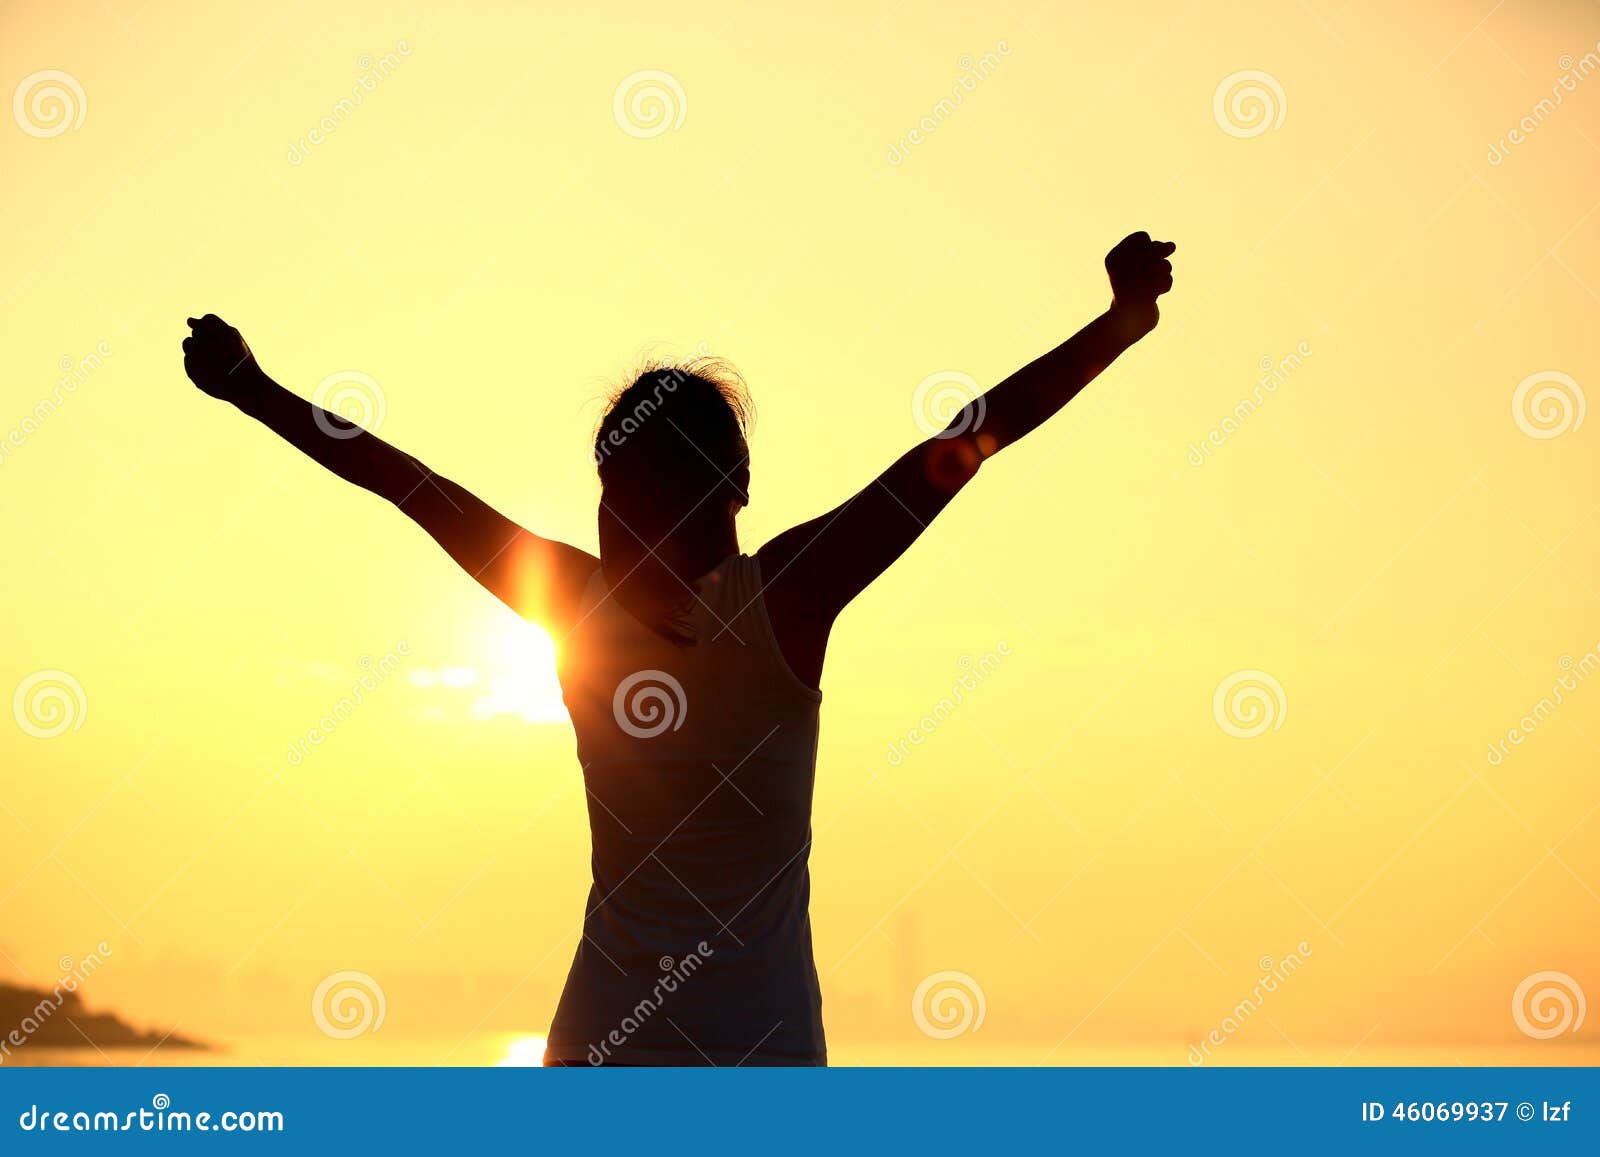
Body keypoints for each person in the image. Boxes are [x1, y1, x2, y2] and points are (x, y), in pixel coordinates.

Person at [182, 231, 1176, 1065]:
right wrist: (1119, 324)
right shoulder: (783, 596)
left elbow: (404, 480)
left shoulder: (581, 602)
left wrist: (251, 388)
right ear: (737, 486)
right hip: (764, 1047)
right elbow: (969, 441)